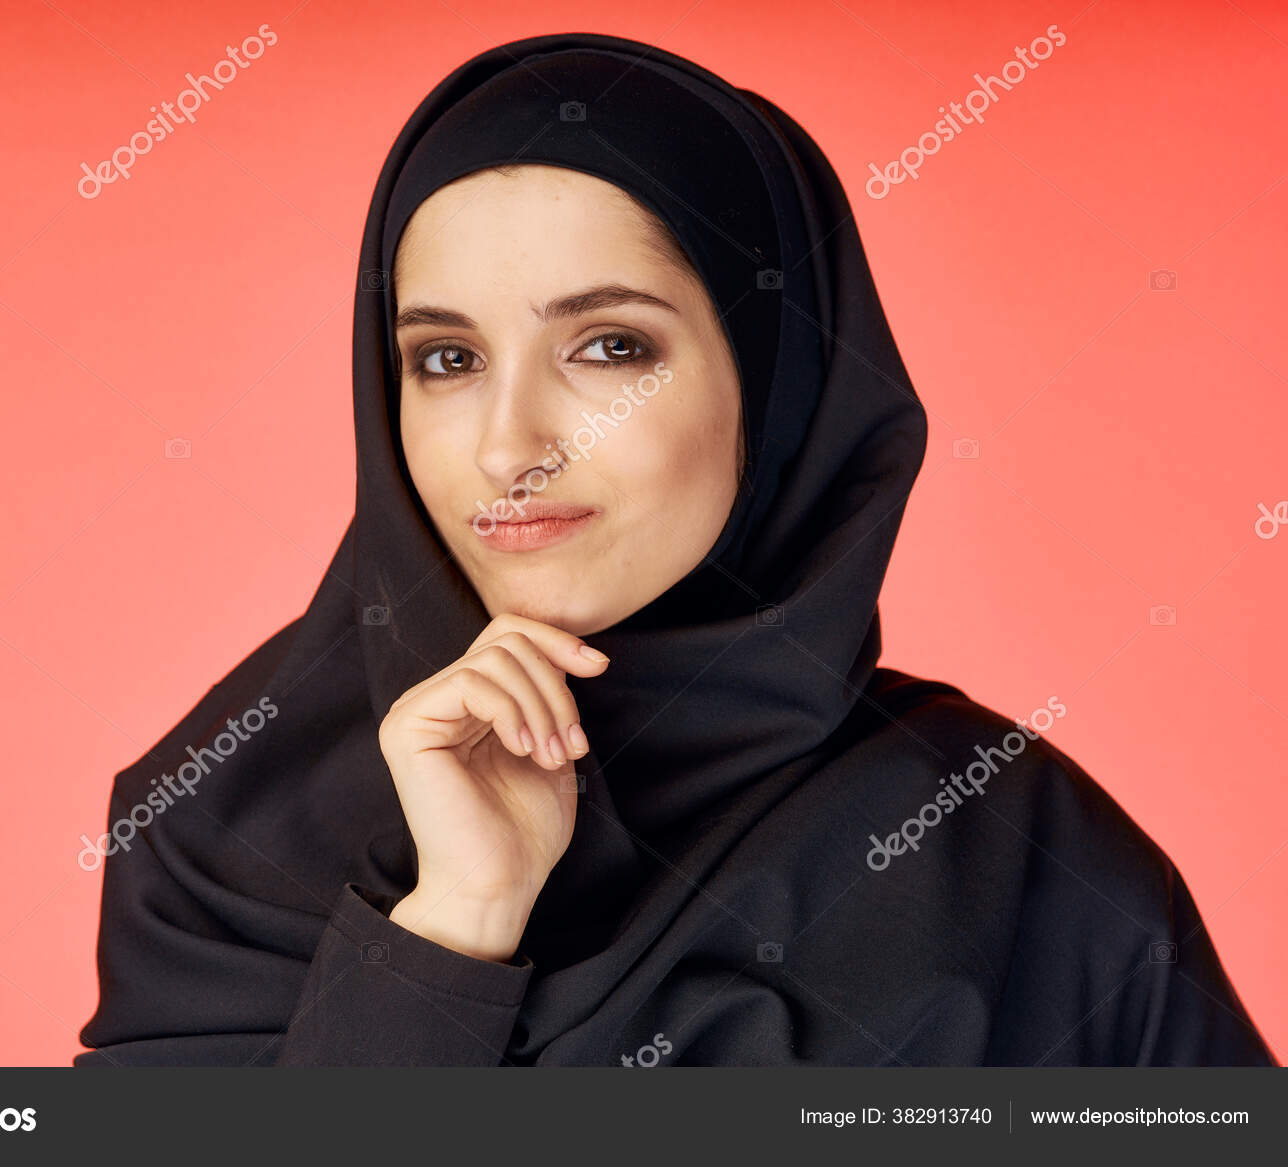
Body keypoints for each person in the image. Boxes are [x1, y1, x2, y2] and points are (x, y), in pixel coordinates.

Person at [74, 32, 1275, 1066]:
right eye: (445, 359)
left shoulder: (1010, 858)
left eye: (608, 349)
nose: (509, 449)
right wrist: (449, 925)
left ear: (775, 384)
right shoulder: (217, 837)